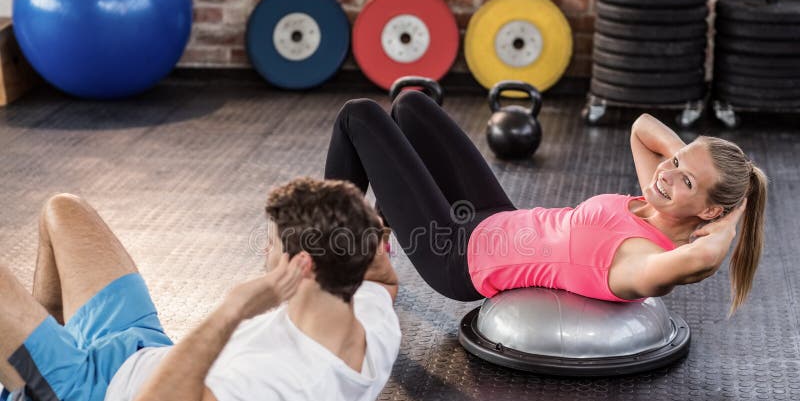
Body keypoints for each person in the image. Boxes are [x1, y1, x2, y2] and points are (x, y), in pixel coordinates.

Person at [0, 177, 400, 401]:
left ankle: (42, 393)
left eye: (270, 244)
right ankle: (29, 383)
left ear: (302, 267)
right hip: (144, 351)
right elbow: (384, 280)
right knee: (63, 209)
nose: (264, 254)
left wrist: (235, 308)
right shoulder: (369, 321)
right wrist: (353, 226)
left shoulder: (285, 393)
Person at [324, 90, 767, 315]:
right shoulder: (657, 201)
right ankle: (376, 241)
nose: (664, 175)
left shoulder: (645, 262)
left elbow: (708, 255)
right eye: (670, 163)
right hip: (495, 216)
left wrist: (734, 214)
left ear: (710, 211)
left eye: (686, 181)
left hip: (457, 259)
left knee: (358, 116)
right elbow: (642, 126)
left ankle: (328, 271)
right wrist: (681, 164)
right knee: (411, 105)